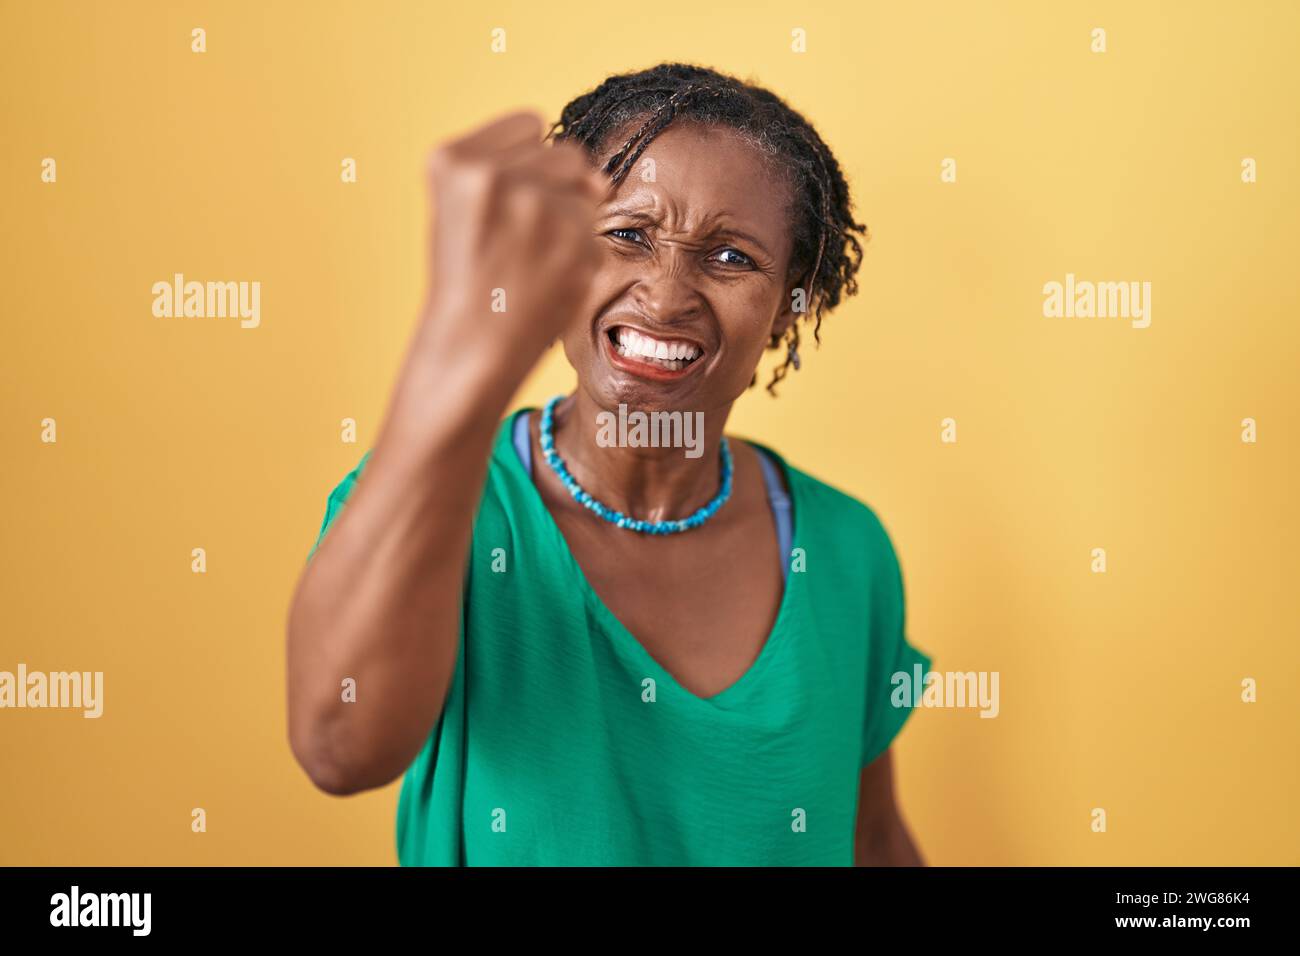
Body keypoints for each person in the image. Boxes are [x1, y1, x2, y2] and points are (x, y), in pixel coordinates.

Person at [287, 63, 933, 866]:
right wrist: (460, 357)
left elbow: (872, 839)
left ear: (788, 306)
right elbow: (340, 749)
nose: (664, 298)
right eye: (627, 236)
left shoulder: (843, 548)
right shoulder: (440, 506)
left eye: (730, 258)